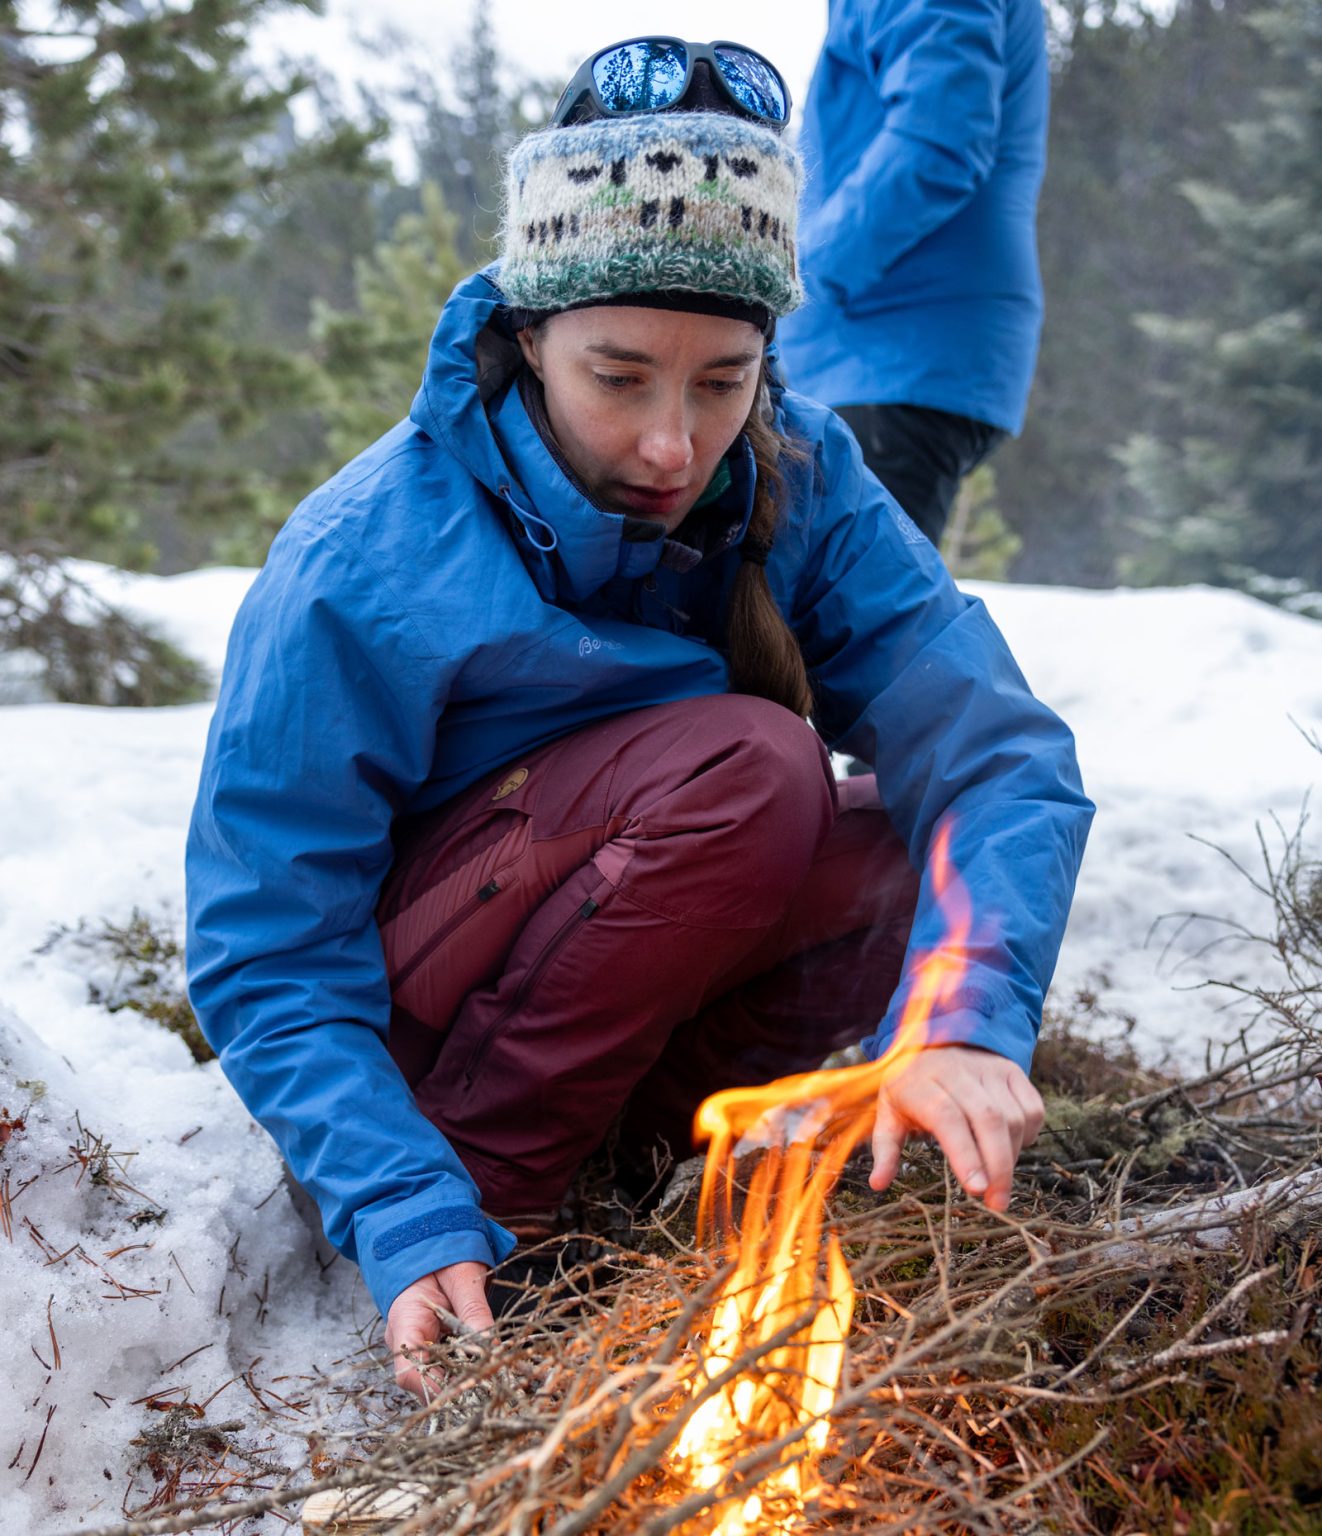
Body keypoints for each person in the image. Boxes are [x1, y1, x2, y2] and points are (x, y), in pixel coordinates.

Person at [185, 36, 1092, 1401]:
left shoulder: (802, 472)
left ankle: (649, 1162)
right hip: (417, 1033)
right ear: (529, 333)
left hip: (606, 945)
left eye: (720, 381)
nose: (672, 443)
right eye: (619, 377)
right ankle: (497, 1217)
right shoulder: (365, 555)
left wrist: (966, 1015)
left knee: (905, 861)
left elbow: (997, 754)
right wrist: (405, 1201)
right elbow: (265, 945)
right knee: (752, 770)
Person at [776, 0, 1050, 546]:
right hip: (881, 357)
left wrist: (793, 275)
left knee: (839, 623)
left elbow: (939, 140)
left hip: (891, 355)